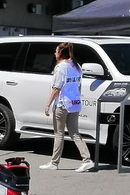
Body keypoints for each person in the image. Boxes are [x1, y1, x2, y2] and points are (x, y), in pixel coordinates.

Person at [40, 42, 94, 172]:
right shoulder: (76, 66)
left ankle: (54, 162)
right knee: (74, 133)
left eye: (56, 51)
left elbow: (56, 88)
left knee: (58, 134)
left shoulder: (61, 67)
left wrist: (48, 105)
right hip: (75, 104)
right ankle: (87, 159)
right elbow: (79, 85)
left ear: (60, 53)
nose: (55, 53)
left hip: (63, 104)